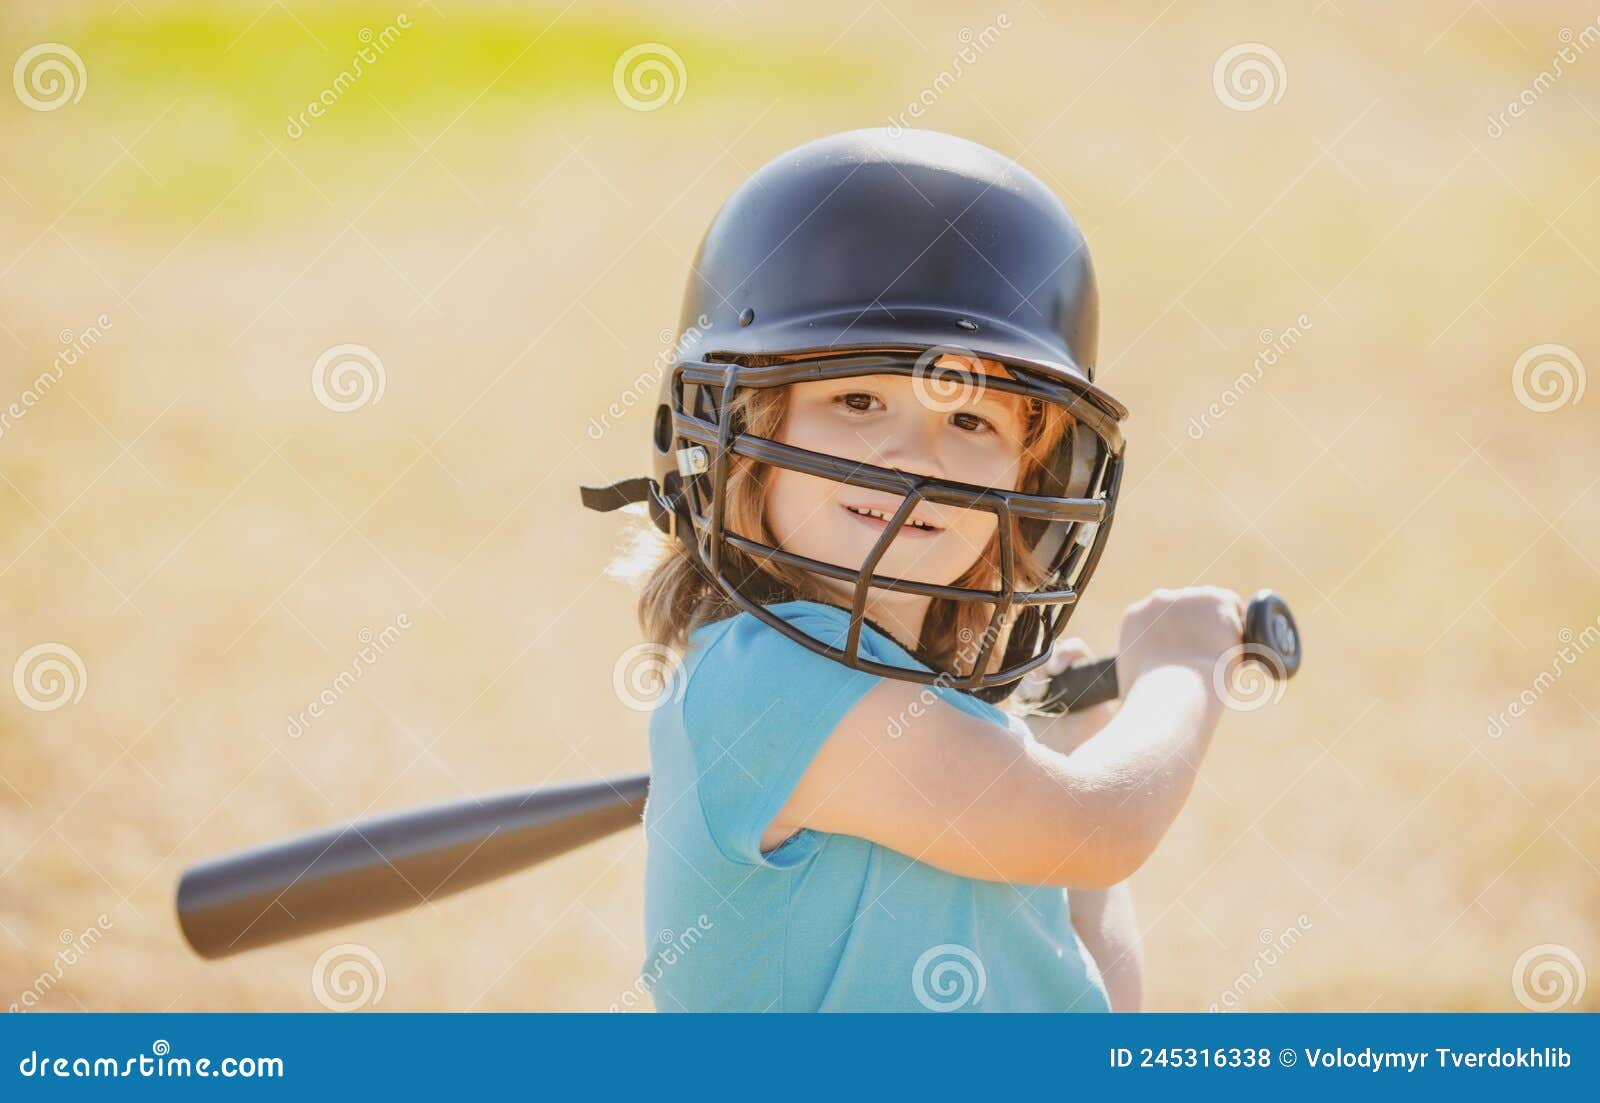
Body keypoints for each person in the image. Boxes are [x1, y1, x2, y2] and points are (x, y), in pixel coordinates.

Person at [583, 128, 1244, 1012]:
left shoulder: (939, 731)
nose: (914, 457)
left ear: (1034, 478)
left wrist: (1068, 746)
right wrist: (1183, 674)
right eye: (857, 400)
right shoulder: (771, 686)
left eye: (972, 423)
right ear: (746, 433)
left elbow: (1091, 999)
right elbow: (1099, 826)